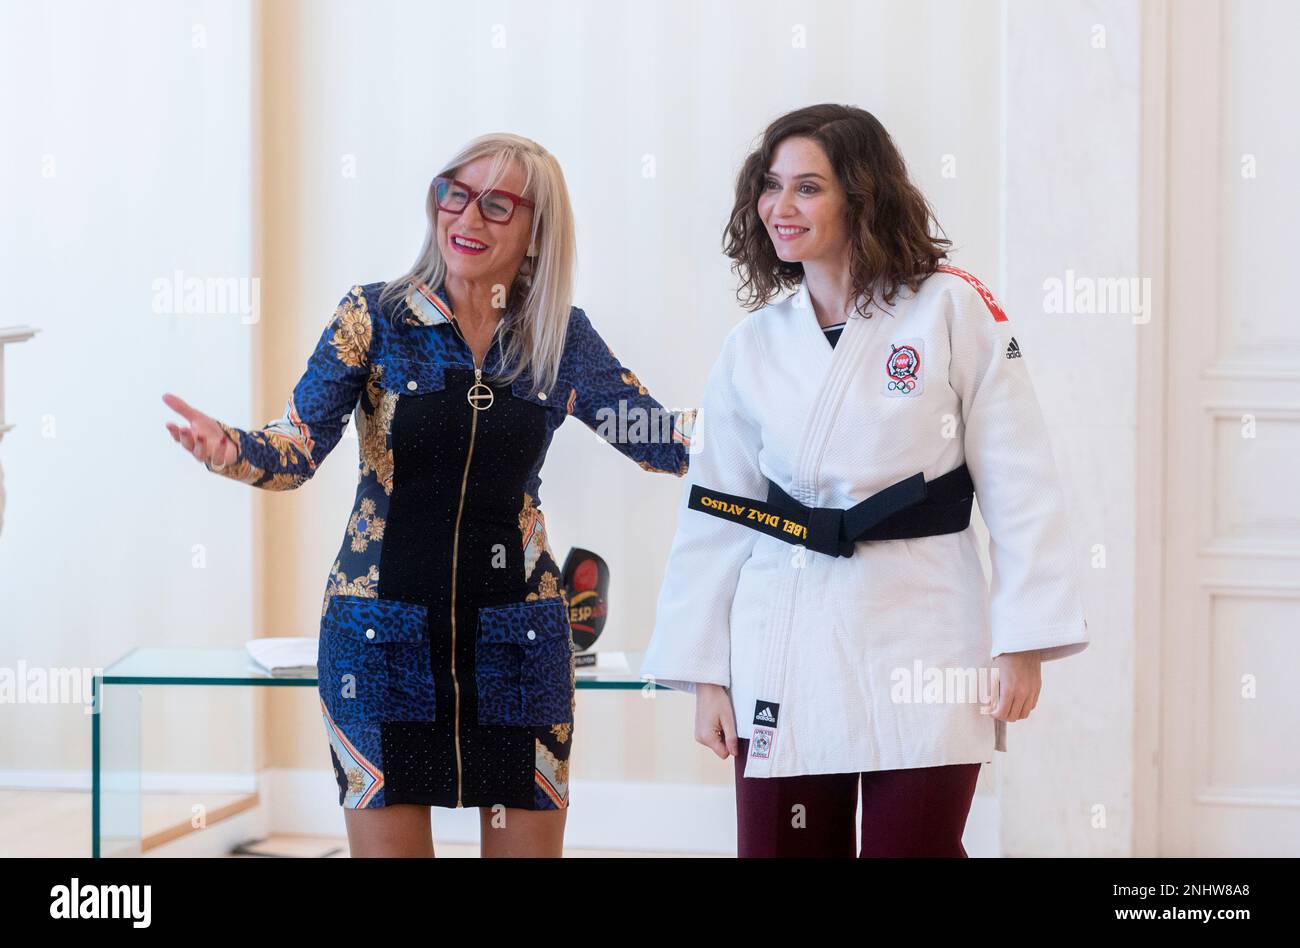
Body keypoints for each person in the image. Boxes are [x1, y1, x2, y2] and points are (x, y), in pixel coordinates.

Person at [164, 133, 694, 857]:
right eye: (456, 193)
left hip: (522, 644)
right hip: (378, 643)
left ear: (539, 228)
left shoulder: (558, 337)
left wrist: (774, 406)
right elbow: (295, 448)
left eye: (498, 204)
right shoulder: (373, 317)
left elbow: (663, 442)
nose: (468, 218)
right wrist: (230, 448)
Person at [641, 104, 1089, 858]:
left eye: (808, 187)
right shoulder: (754, 345)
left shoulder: (951, 307)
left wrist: (1025, 642)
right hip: (783, 631)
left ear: (863, 194)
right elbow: (716, 512)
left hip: (922, 627)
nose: (781, 208)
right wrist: (704, 674)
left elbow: (1022, 483)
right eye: (770, 186)